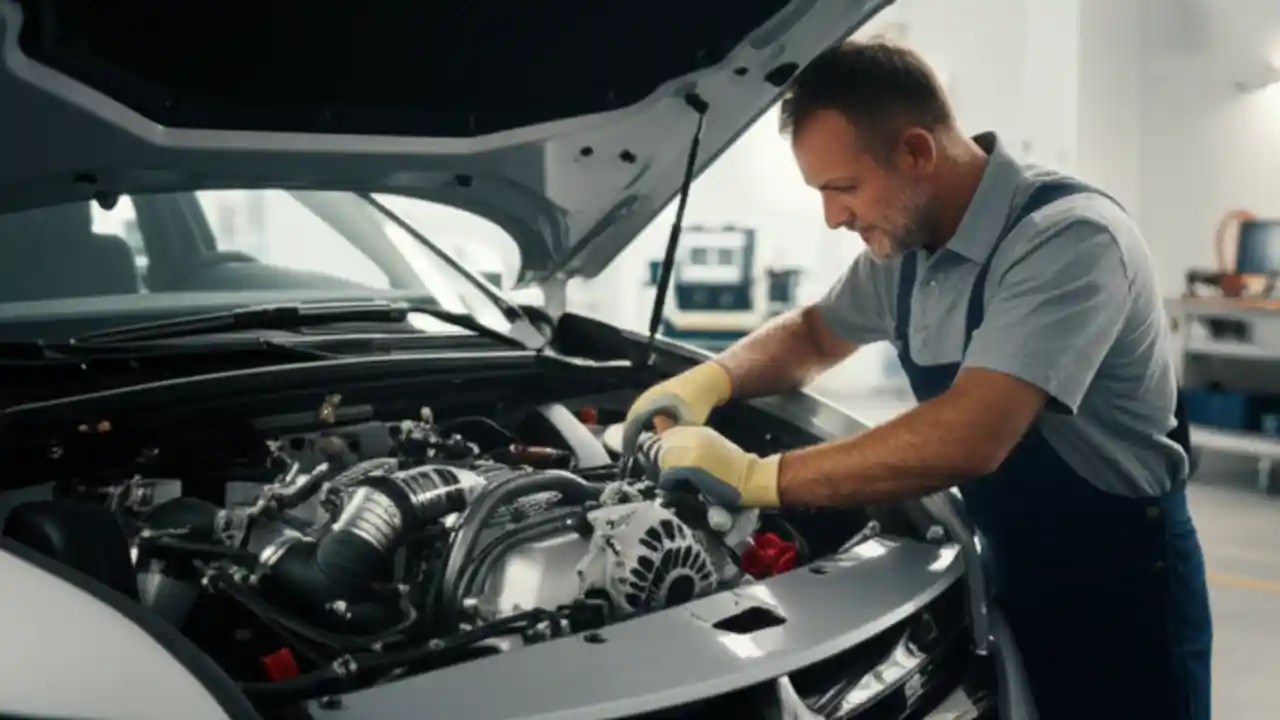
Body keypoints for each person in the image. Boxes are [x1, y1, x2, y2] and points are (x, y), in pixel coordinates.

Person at [622, 39, 1212, 720]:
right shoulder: (906, 250)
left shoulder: (1068, 240)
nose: (833, 217)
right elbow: (814, 333)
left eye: (843, 188)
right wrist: (708, 380)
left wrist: (757, 476)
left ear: (915, 153)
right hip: (1010, 562)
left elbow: (972, 434)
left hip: (1123, 584)